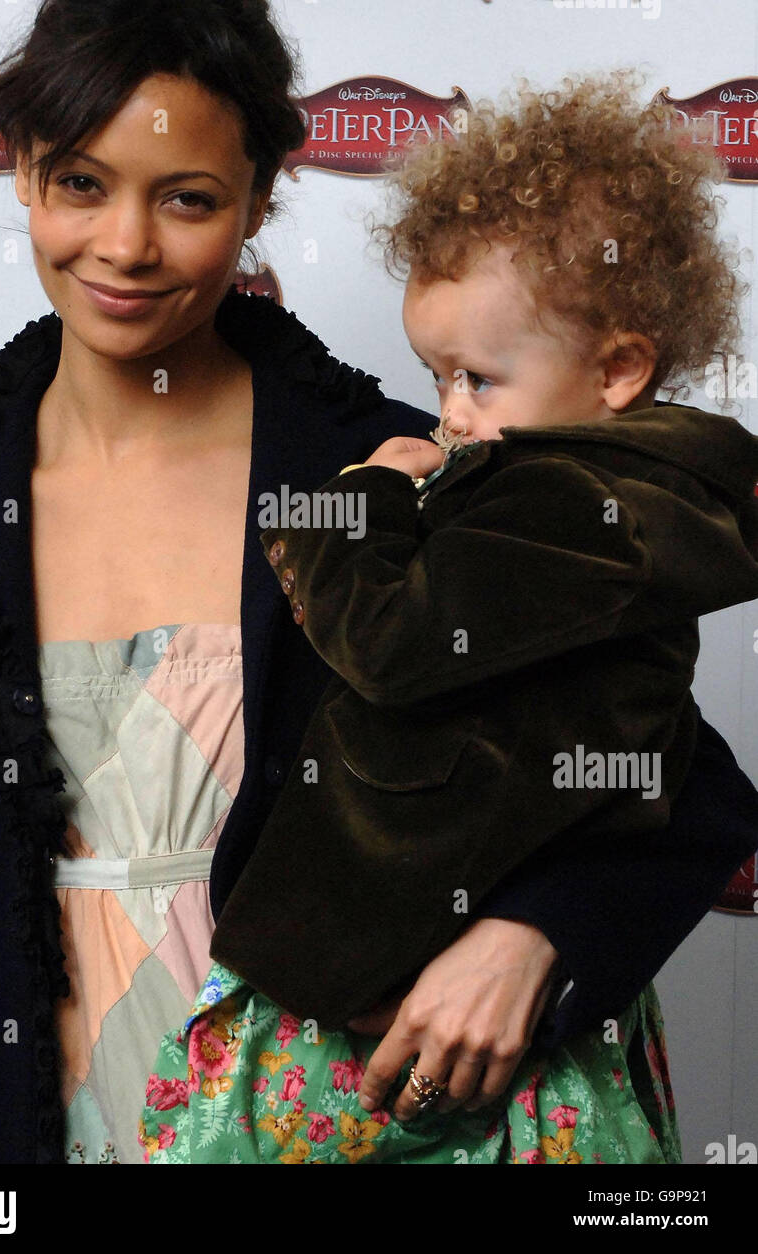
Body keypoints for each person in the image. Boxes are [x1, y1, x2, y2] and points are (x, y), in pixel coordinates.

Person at [0, 0, 755, 1167]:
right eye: (80, 181)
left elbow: (669, 772)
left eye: (185, 198)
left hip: (339, 1127)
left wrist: (537, 938)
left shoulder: (401, 479)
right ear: (18, 170)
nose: (124, 245)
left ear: (259, 199)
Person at [138, 71, 758, 1165]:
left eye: (474, 377)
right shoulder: (615, 497)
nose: (449, 415)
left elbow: (668, 779)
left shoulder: (552, 500)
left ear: (617, 368)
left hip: (418, 1039)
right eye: (437, 378)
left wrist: (367, 498)